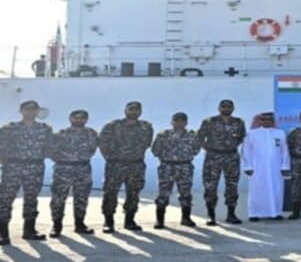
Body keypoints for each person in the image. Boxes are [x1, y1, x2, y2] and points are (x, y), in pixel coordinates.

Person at [0, 100, 53, 244]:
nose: (30, 111)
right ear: (21, 111)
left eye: (33, 109)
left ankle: (29, 230)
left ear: (37, 111)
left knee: (31, 198)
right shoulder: (9, 129)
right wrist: (7, 163)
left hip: (35, 167)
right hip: (13, 166)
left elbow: (50, 148)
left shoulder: (45, 129)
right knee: (5, 199)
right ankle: (3, 233)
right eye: (27, 109)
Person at [100, 101, 153, 233]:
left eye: (136, 110)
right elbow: (103, 143)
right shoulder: (113, 125)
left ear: (140, 111)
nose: (134, 112)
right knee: (110, 193)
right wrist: (110, 158)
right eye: (131, 109)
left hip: (136, 165)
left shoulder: (146, 127)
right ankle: (108, 222)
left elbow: (146, 143)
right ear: (125, 110)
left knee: (134, 193)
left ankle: (130, 220)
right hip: (115, 165)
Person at [49, 109, 99, 238]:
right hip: (63, 169)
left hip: (83, 168)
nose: (79, 120)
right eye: (76, 117)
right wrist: (63, 161)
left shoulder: (91, 133)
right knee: (58, 198)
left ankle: (80, 224)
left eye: (82, 118)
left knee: (81, 198)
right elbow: (50, 151)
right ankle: (56, 226)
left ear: (86, 119)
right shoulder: (61, 134)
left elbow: (94, 148)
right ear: (70, 119)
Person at [197, 99, 246, 225]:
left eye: (229, 107)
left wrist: (231, 147)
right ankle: (211, 215)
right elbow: (200, 137)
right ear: (219, 108)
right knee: (210, 186)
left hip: (231, 157)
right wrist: (210, 149)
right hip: (213, 157)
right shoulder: (209, 121)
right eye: (224, 107)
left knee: (232, 186)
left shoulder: (239, 122)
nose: (226, 109)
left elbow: (241, 137)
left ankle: (231, 214)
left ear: (233, 108)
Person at [151, 112, 201, 229]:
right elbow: (155, 150)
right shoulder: (163, 135)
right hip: (167, 167)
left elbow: (196, 150)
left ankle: (186, 218)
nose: (179, 123)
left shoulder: (192, 136)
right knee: (163, 193)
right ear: (172, 122)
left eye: (182, 120)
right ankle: (160, 220)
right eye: (176, 120)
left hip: (185, 166)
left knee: (185, 193)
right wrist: (166, 157)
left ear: (186, 122)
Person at [241, 113, 290, 221]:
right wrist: (247, 166)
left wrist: (285, 166)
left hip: (276, 168)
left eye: (269, 119)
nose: (266, 121)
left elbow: (284, 151)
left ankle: (276, 213)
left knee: (277, 190)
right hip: (257, 168)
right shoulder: (251, 133)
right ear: (260, 121)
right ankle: (254, 213)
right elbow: (246, 151)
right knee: (257, 190)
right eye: (264, 119)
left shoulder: (280, 133)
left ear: (273, 121)